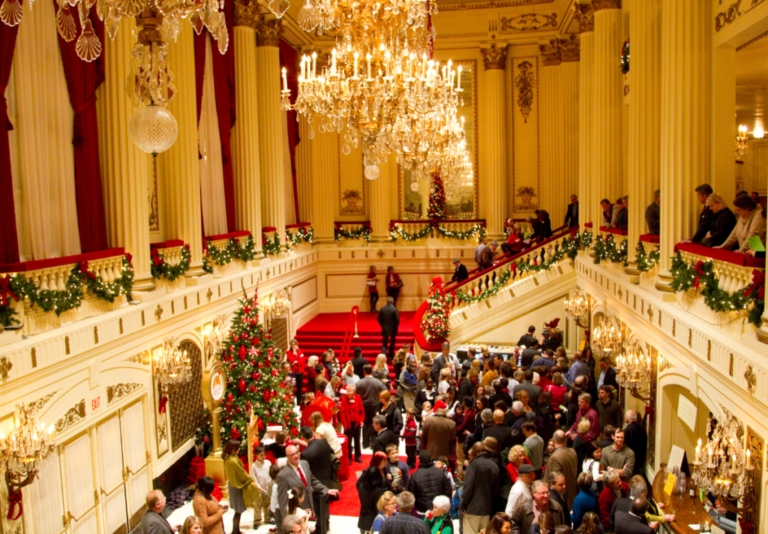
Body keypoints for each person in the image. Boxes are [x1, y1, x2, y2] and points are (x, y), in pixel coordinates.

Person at [277, 445, 338, 534]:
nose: (296, 456)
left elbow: (312, 480)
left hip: (308, 508)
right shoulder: (283, 475)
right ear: (287, 457)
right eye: (292, 454)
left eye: (297, 452)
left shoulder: (304, 464)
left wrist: (326, 490)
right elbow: (282, 501)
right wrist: (287, 523)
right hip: (296, 514)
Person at [461, 437, 501, 534]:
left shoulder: (474, 465)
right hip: (487, 508)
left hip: (472, 508)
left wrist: (463, 505)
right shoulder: (494, 466)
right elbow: (495, 490)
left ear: (474, 451)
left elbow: (468, 488)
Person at [222, 440, 260, 534]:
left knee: (238, 511)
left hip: (233, 486)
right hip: (237, 487)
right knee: (238, 511)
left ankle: (236, 530)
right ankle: (235, 531)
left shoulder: (230, 458)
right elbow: (241, 474)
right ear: (232, 450)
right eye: (237, 449)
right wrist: (250, 479)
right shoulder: (232, 461)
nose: (239, 450)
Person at [358, 452, 394, 534]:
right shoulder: (369, 472)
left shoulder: (385, 470)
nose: (386, 462)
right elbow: (378, 507)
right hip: (373, 515)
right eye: (384, 461)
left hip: (365, 519)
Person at [408, 450, 453, 515]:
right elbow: (448, 491)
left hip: (422, 510)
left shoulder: (415, 475)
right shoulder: (440, 472)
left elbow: (411, 495)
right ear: (430, 459)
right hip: (439, 509)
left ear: (419, 460)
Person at [545, 431, 579, 509]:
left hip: (562, 497)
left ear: (553, 441)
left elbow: (554, 480)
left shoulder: (555, 457)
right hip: (573, 492)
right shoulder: (573, 452)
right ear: (565, 440)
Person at [358, 364, 388, 447]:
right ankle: (374, 443)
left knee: (365, 424)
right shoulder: (378, 382)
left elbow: (355, 394)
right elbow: (385, 392)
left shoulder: (359, 382)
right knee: (374, 424)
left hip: (363, 405)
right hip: (375, 405)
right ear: (372, 371)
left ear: (364, 372)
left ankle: (365, 443)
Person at [340, 384, 364, 463]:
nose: (349, 393)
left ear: (354, 391)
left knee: (357, 440)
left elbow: (361, 410)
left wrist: (362, 421)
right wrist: (345, 425)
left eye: (350, 391)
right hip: (348, 424)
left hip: (356, 423)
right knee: (348, 442)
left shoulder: (358, 398)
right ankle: (349, 457)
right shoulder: (344, 399)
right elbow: (342, 413)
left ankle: (358, 456)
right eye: (348, 391)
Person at [252, 445, 273, 527]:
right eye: (261, 455)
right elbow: (253, 477)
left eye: (264, 455)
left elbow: (271, 475)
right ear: (256, 455)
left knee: (267, 503)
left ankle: (267, 518)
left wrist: (269, 484)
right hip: (258, 489)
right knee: (257, 505)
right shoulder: (254, 466)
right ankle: (257, 521)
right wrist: (258, 486)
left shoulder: (268, 463)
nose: (263, 457)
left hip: (267, 487)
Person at [623, 410, 648, 477]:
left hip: (630, 460)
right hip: (641, 459)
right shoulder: (643, 428)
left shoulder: (626, 431)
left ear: (626, 419)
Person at [286, 339, 306, 405]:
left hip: (300, 372)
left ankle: (299, 402)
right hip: (293, 373)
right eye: (292, 345)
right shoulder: (289, 352)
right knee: (293, 387)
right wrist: (294, 353)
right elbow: (291, 361)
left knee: (299, 387)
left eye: (295, 344)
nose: (293, 346)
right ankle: (292, 402)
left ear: (297, 345)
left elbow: (303, 361)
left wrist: (297, 362)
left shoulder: (300, 351)